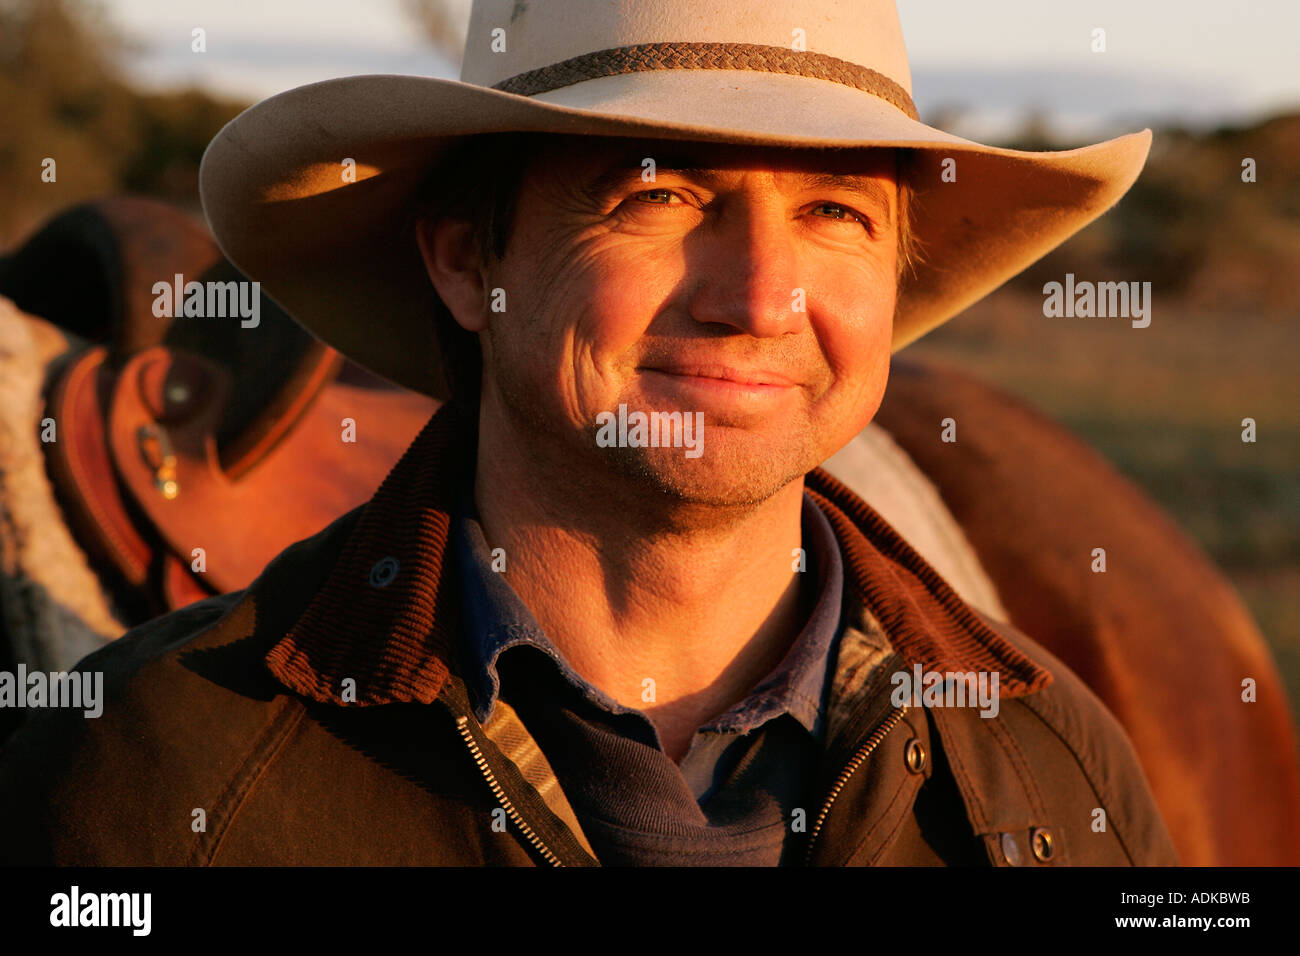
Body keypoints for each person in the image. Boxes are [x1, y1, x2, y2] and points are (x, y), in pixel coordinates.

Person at [0, 0, 1177, 866]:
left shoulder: (1056, 765)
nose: (762, 297)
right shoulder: (146, 774)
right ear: (468, 258)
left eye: (835, 212)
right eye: (658, 197)